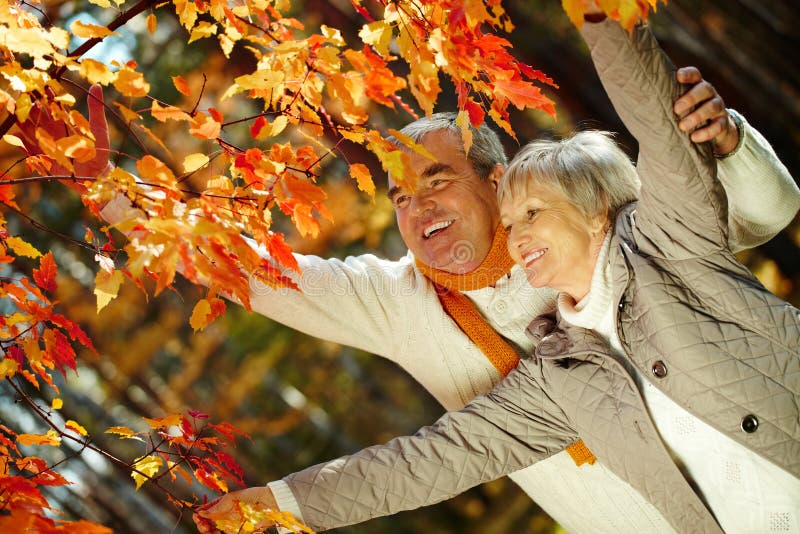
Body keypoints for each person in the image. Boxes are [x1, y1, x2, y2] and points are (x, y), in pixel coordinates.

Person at [16, 35, 799, 534]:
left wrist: (727, 142)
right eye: (398, 195)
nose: (418, 208)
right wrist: (114, 199)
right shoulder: (399, 301)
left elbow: (761, 213)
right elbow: (250, 272)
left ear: (497, 182)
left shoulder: (600, 224)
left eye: (436, 180)